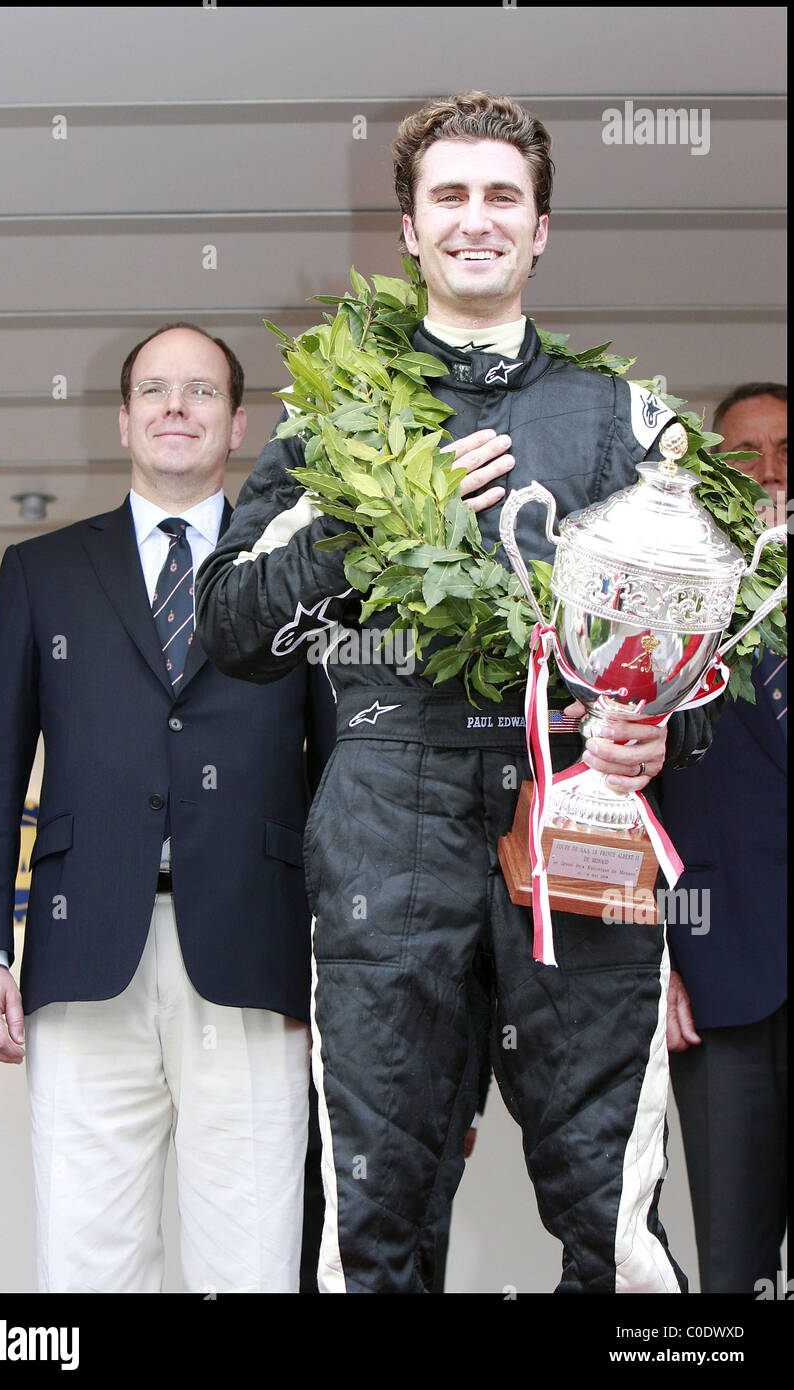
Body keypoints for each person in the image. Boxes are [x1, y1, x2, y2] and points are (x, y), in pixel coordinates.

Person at [195, 92, 718, 1294]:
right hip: (388, 820)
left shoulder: (622, 421)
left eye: (501, 198)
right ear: (408, 229)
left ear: (540, 231)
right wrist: (384, 514)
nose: (474, 219)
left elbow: (694, 655)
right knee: (373, 1230)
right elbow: (231, 625)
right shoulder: (337, 419)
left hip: (576, 818)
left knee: (615, 1223)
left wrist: (652, 728)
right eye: (449, 196)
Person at [0, 322, 336, 1294]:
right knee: (87, 1257)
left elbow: (339, 777)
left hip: (255, 952)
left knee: (247, 1261)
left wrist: (348, 963)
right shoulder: (42, 571)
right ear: (122, 418)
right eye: (154, 390)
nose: (175, 407)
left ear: (237, 421)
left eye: (199, 392)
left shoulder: (298, 571)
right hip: (84, 957)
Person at [660, 383, 787, 1294]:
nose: (772, 472)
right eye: (747, 455)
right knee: (730, 1277)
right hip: (716, 975)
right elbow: (618, 793)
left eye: (789, 450)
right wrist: (649, 954)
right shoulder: (668, 605)